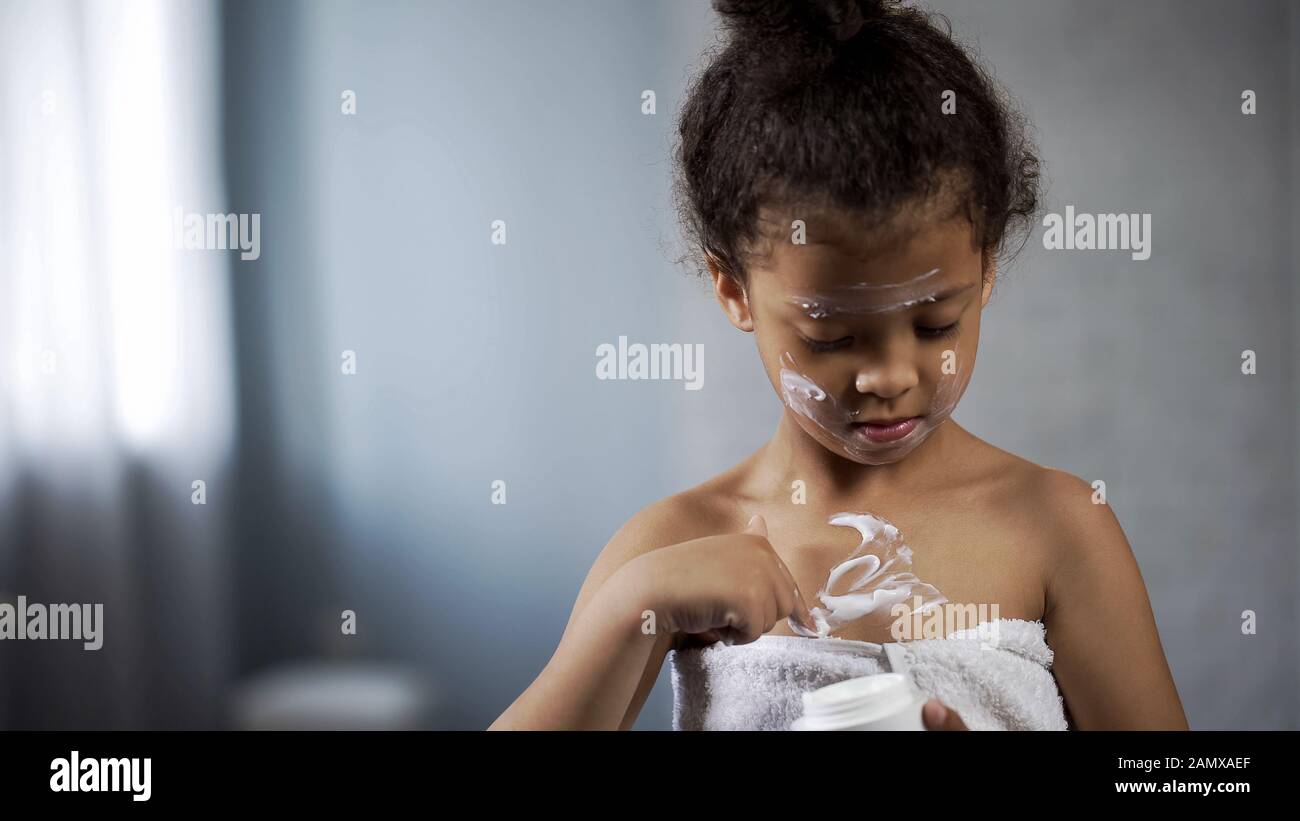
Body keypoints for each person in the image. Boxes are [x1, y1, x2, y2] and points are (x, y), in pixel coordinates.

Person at [491, 0, 1187, 731]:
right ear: (733, 288)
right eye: (829, 335)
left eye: (934, 323)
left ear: (985, 269)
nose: (888, 375)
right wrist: (631, 607)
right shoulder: (676, 547)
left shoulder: (1056, 527)